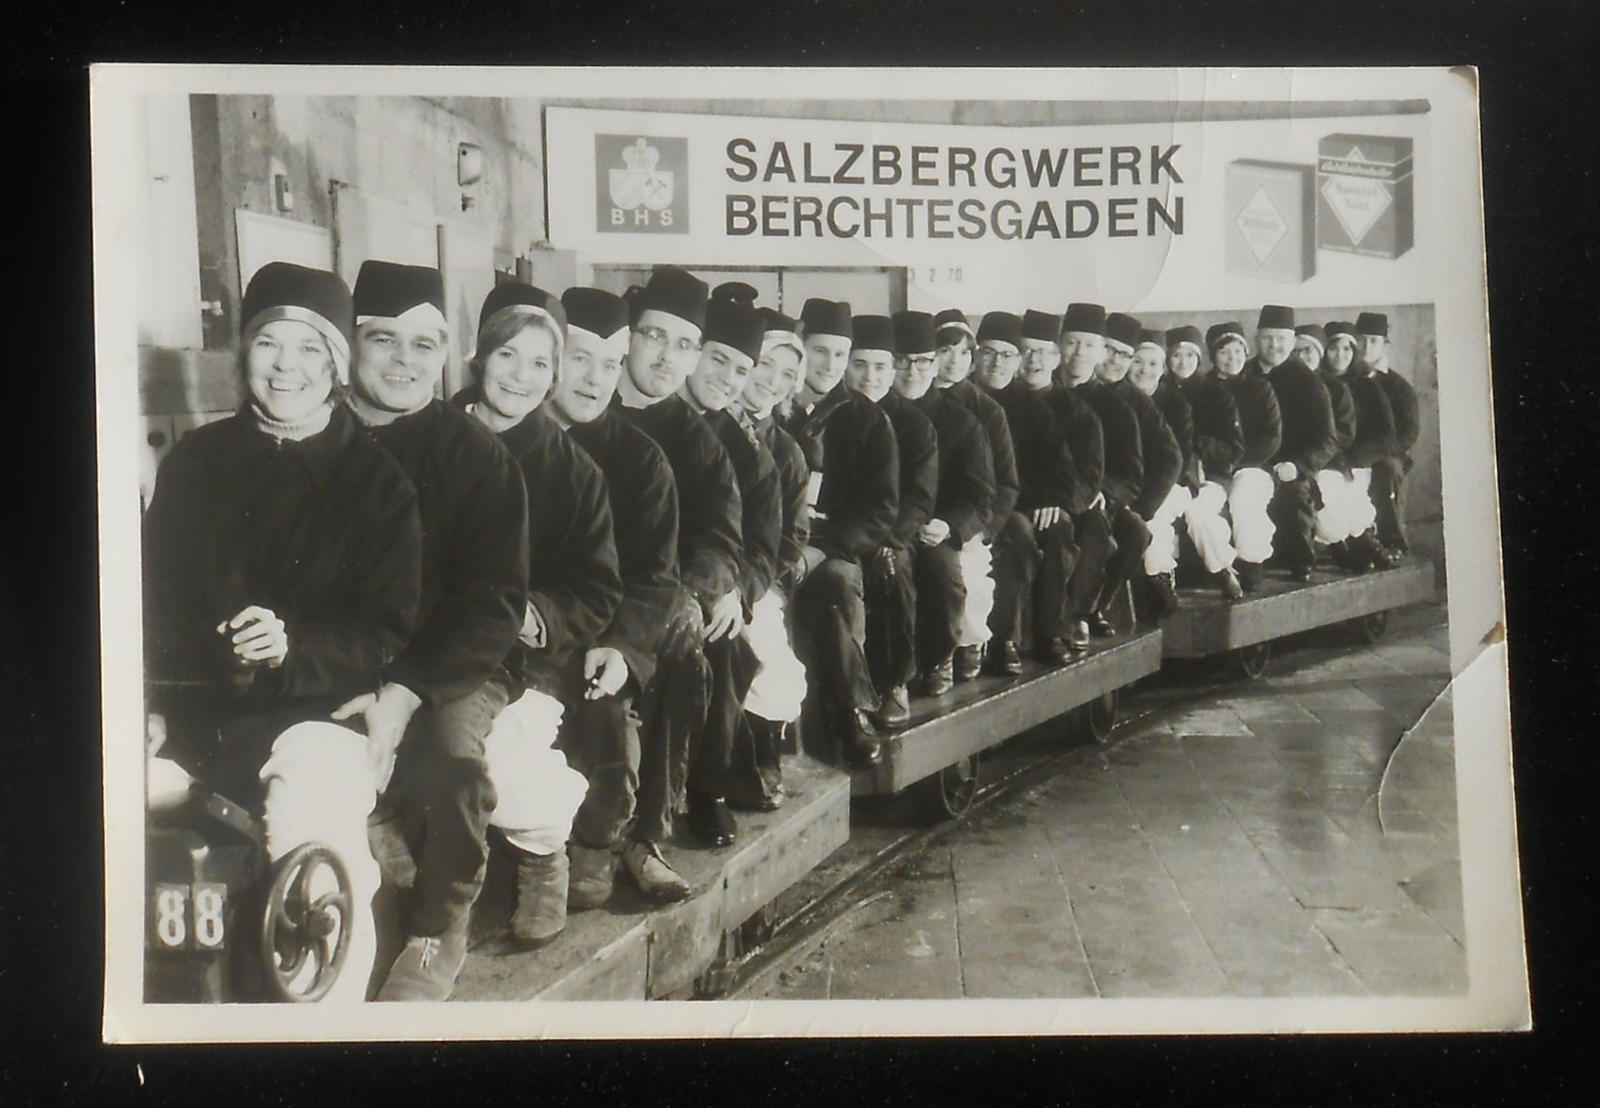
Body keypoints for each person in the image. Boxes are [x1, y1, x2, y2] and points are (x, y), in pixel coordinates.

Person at [143, 261, 421, 1004]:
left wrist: (292, 646)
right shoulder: (193, 464)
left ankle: (325, 1028)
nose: (286, 367)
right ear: (245, 355)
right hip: (199, 713)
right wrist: (151, 701)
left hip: (318, 710)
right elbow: (150, 599)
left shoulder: (378, 482)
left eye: (310, 349)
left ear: (336, 365)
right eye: (269, 344)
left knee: (312, 830)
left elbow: (387, 625)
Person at [340, 260, 530, 1002]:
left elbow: (492, 604)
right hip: (342, 654)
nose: (403, 360)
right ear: (349, 346)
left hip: (456, 660)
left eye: (423, 345)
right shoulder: (319, 438)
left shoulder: (478, 455)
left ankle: (437, 927)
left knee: (450, 758)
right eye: (382, 339)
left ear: (447, 355)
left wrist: (407, 689)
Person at [456, 282, 621, 949]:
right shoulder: (432, 437)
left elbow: (597, 589)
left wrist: (536, 616)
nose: (520, 377)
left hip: (524, 659)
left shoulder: (573, 472)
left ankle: (542, 853)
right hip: (427, 644)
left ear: (554, 375)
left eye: (540, 364)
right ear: (479, 356)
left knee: (503, 751)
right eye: (507, 357)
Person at [610, 266, 745, 884]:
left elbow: (720, 536)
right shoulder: (581, 405)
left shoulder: (698, 442)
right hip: (576, 595)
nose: (667, 357)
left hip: (655, 596)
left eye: (684, 344)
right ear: (629, 336)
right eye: (654, 336)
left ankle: (646, 835)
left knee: (685, 649)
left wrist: (694, 592)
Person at [553, 287, 687, 904]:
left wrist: (623, 646)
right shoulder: (492, 435)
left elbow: (656, 575)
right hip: (514, 632)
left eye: (610, 364)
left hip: (599, 632)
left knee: (609, 710)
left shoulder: (641, 460)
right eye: (579, 359)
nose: (594, 379)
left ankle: (610, 839)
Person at [677, 286, 781, 848]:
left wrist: (736, 593)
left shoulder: (750, 454)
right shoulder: (648, 421)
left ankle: (708, 790)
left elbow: (762, 549)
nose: (727, 378)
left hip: (719, 591)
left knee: (727, 646)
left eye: (741, 370)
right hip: (655, 581)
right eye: (717, 359)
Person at [784, 298, 900, 768]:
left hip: (834, 548)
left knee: (835, 583)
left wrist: (821, 551)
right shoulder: (774, 406)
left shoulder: (868, 420)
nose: (830, 365)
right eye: (820, 351)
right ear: (800, 345)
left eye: (840, 354)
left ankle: (852, 710)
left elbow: (880, 509)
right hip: (773, 543)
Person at [729, 307, 812, 808]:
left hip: (756, 582)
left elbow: (792, 537)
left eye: (786, 374)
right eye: (764, 365)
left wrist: (754, 585)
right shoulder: (708, 429)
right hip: (705, 575)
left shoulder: (787, 453)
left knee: (764, 646)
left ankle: (761, 751)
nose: (771, 382)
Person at [979, 310, 1086, 666]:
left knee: (1054, 527)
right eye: (988, 353)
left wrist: (1044, 500)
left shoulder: (1034, 410)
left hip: (1018, 503)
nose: (997, 363)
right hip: (972, 506)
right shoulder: (961, 399)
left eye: (1007, 355)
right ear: (975, 356)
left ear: (1017, 361)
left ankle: (1048, 632)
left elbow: (1063, 472)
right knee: (1018, 532)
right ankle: (999, 639)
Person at [899, 310, 995, 695]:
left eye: (923, 362)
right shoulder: (872, 414)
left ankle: (939, 656)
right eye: (902, 362)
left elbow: (980, 496)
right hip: (886, 526)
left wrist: (949, 525)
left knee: (943, 575)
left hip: (934, 529)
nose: (912, 373)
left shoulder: (963, 423)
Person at [850, 313, 938, 729]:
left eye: (881, 366)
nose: (871, 377)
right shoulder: (827, 415)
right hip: (840, 533)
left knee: (894, 567)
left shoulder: (915, 425)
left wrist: (888, 537)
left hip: (892, 534)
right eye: (860, 365)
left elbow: (919, 499)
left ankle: (893, 682)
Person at [936, 309, 1017, 675]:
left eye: (964, 353)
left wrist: (980, 530)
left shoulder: (988, 411)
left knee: (970, 569)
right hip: (923, 515)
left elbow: (1005, 483)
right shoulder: (909, 400)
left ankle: (970, 642)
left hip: (970, 517)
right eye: (945, 351)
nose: (955, 361)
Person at [1092, 312, 1170, 624]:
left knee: (1137, 531)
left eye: (1124, 355)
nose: (1115, 361)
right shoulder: (1069, 386)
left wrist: (1142, 507)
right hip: (1073, 494)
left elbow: (1169, 458)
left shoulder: (1136, 401)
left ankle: (1097, 605)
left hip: (1116, 496)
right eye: (1108, 350)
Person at [1251, 305, 1338, 583]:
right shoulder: (1245, 373)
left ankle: (1302, 562)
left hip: (1292, 464)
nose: (1274, 345)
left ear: (1291, 342)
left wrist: (1298, 466)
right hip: (1253, 461)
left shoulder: (1309, 382)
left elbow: (1327, 440)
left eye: (1281, 338)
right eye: (1267, 337)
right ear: (1257, 339)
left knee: (1297, 494)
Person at [1056, 303, 1127, 645]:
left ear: (1100, 352)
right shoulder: (1040, 392)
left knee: (1104, 529)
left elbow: (1131, 471)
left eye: (1088, 345)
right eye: (1071, 343)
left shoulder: (1116, 406)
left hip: (1095, 497)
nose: (1078, 353)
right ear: (1059, 346)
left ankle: (1081, 612)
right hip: (1048, 493)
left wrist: (1103, 492)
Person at [1165, 325, 1245, 599]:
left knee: (1198, 513)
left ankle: (1223, 570)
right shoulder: (1161, 391)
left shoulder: (1217, 395)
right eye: (1176, 355)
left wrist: (1200, 448)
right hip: (1171, 476)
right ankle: (1161, 578)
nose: (1183, 362)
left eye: (1190, 355)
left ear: (1199, 358)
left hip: (1210, 476)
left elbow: (1234, 448)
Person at [1125, 328, 1194, 615]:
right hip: (1131, 482)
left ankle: (1160, 577)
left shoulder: (1176, 403)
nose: (1144, 370)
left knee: (1156, 516)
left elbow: (1180, 457)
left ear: (1163, 368)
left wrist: (1150, 486)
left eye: (1153, 363)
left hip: (1171, 482)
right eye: (1137, 361)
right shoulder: (1120, 397)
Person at [1209, 320, 1281, 593]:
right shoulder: (1205, 388)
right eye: (1224, 352)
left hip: (1253, 465)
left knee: (1244, 496)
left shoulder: (1261, 389)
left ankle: (1251, 563)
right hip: (1214, 467)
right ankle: (1217, 567)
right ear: (1213, 356)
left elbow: (1271, 438)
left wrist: (1235, 461)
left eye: (1238, 351)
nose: (1232, 358)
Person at [1329, 321, 1401, 571]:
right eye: (1333, 349)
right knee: (1329, 491)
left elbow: (1385, 433)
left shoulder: (1366, 385)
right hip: (1328, 458)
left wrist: (1354, 458)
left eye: (1346, 349)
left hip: (1359, 458)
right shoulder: (1318, 383)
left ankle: (1364, 543)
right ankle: (1352, 545)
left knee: (1352, 490)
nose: (1340, 355)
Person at [1295, 322, 1363, 568]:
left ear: (1320, 353)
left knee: (1325, 487)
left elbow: (1343, 433)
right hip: (1293, 458)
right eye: (1296, 351)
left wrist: (1315, 457)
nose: (1302, 357)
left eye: (1308, 350)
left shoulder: (1336, 388)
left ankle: (1345, 541)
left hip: (1328, 458)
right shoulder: (1284, 382)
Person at [1357, 311, 1418, 557]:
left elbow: (1409, 432)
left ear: (1384, 344)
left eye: (1373, 341)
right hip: (1352, 451)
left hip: (1386, 454)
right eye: (1361, 340)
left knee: (1388, 471)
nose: (1366, 346)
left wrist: (1376, 452)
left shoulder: (1399, 387)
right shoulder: (1347, 379)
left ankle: (1392, 541)